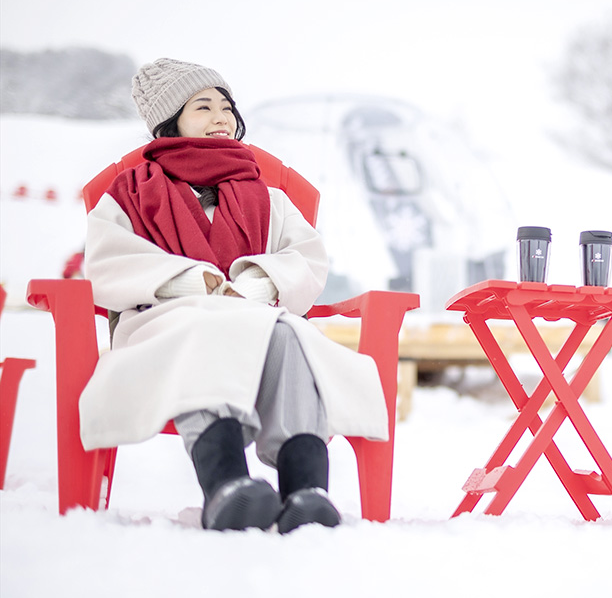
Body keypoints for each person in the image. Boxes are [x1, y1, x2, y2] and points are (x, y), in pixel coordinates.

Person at [81, 58, 390, 533]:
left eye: (226, 107)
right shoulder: (130, 194)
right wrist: (189, 283)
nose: (221, 117)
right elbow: (107, 262)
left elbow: (307, 260)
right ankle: (226, 486)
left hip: (258, 323)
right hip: (166, 325)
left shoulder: (270, 197)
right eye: (203, 107)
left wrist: (255, 283)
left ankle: (306, 488)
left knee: (290, 337)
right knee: (203, 325)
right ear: (171, 121)